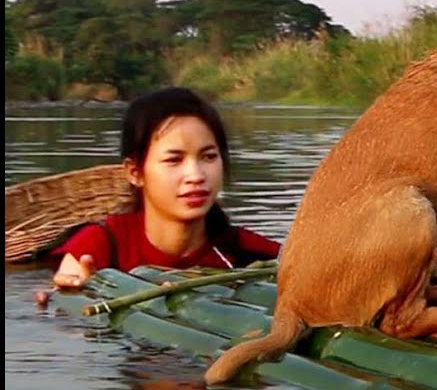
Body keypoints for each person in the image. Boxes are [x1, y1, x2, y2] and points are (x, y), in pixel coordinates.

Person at [48, 87, 281, 290]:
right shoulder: (101, 246)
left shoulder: (247, 253)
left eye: (209, 157)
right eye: (174, 160)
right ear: (135, 172)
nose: (196, 176)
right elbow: (65, 291)